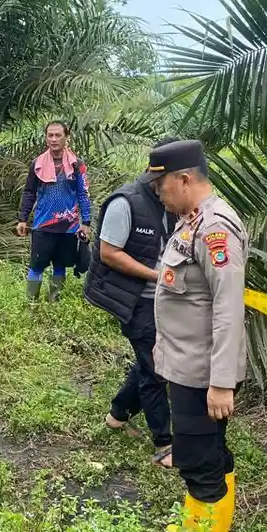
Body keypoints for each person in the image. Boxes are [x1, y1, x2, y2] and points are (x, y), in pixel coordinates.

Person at [139, 139, 248, 532]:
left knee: (197, 459)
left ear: (185, 179)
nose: (157, 191)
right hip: (185, 362)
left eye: (161, 183)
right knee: (212, 455)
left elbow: (228, 308)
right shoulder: (191, 221)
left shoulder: (216, 228)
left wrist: (221, 381)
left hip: (203, 372)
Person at [83, 137, 179, 467]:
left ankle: (118, 414)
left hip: (166, 300)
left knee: (146, 361)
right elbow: (109, 254)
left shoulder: (175, 202)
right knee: (156, 369)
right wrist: (158, 276)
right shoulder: (126, 202)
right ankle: (164, 444)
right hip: (135, 300)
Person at [16, 121, 92, 301]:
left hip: (68, 227)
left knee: (60, 266)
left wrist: (86, 222)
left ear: (67, 137)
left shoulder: (76, 165)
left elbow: (84, 193)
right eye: (50, 135)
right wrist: (22, 218)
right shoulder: (37, 164)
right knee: (36, 266)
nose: (54, 139)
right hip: (43, 225)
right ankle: (32, 303)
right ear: (46, 137)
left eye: (58, 135)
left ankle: (54, 302)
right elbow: (29, 192)